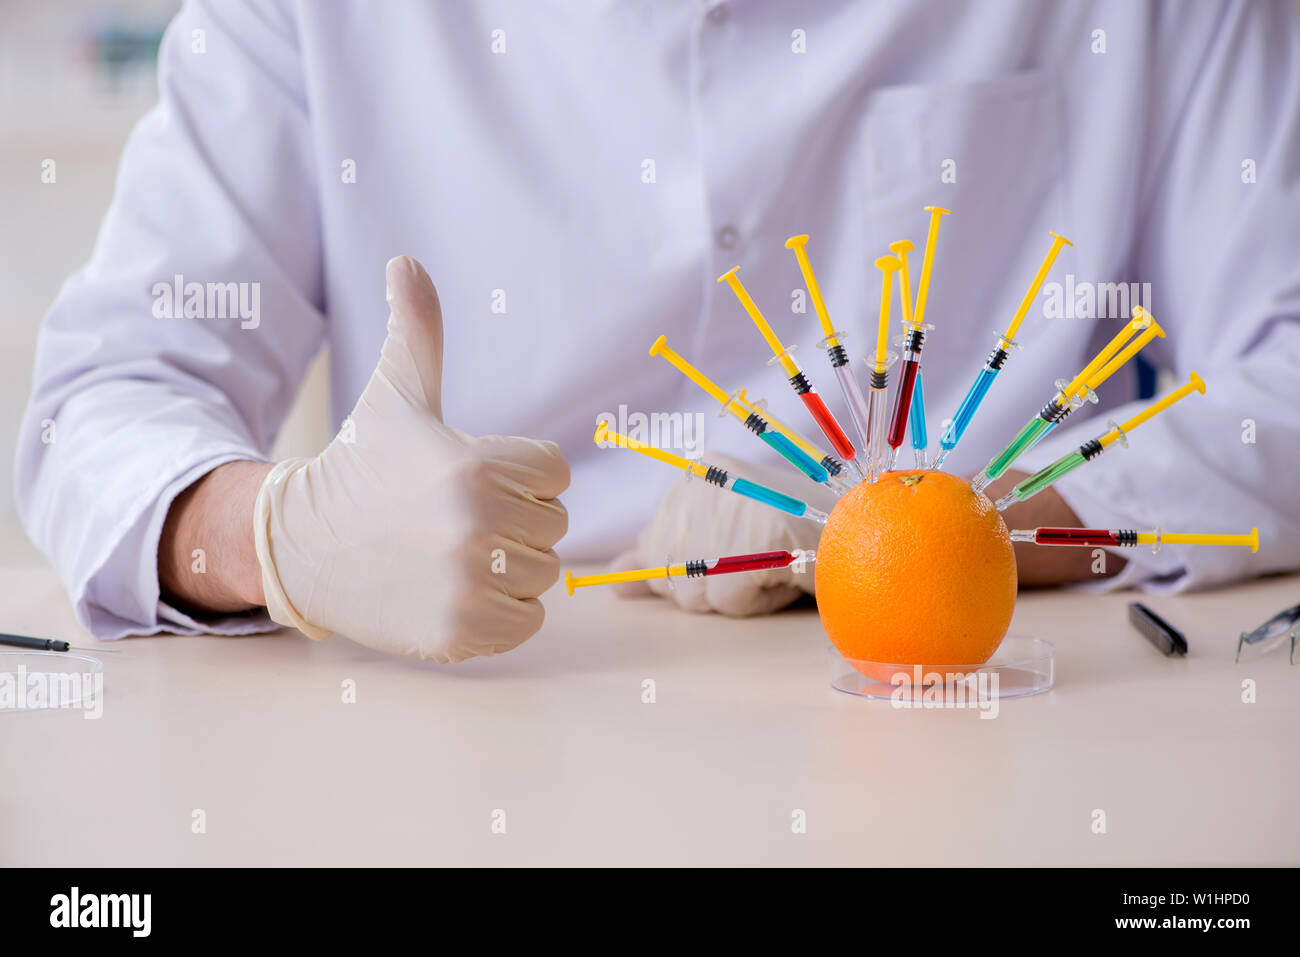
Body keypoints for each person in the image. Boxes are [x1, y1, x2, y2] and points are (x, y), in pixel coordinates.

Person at [16, 0, 1300, 660]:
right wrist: (275, 539)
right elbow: (106, 394)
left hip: (986, 714)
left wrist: (976, 516)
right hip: (487, 730)